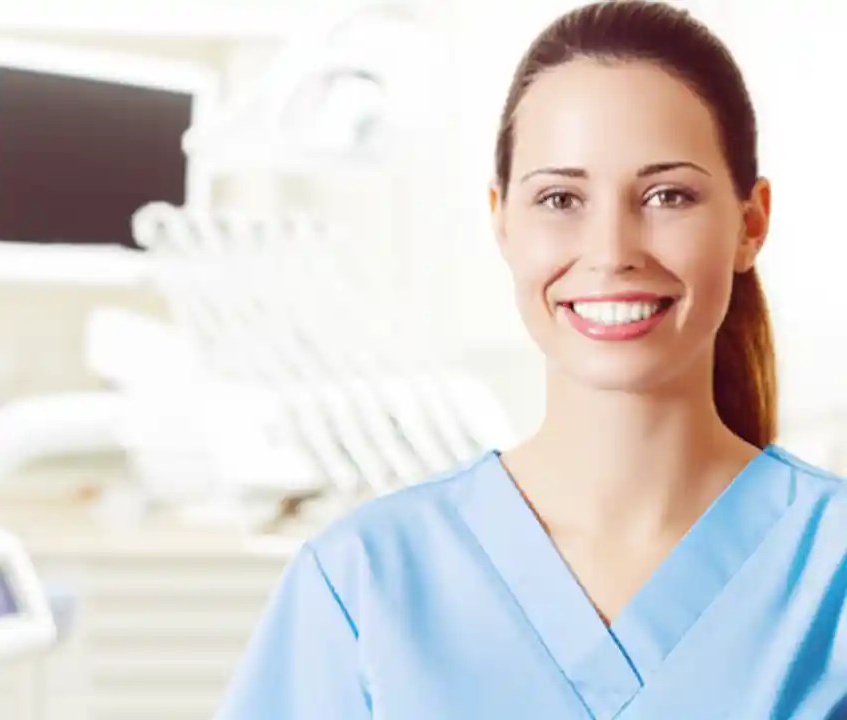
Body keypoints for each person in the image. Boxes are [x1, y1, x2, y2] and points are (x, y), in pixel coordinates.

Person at [215, 2, 847, 718]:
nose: (611, 251)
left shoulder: (832, 570)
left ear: (750, 223)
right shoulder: (364, 583)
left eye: (667, 195)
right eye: (560, 198)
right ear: (502, 222)